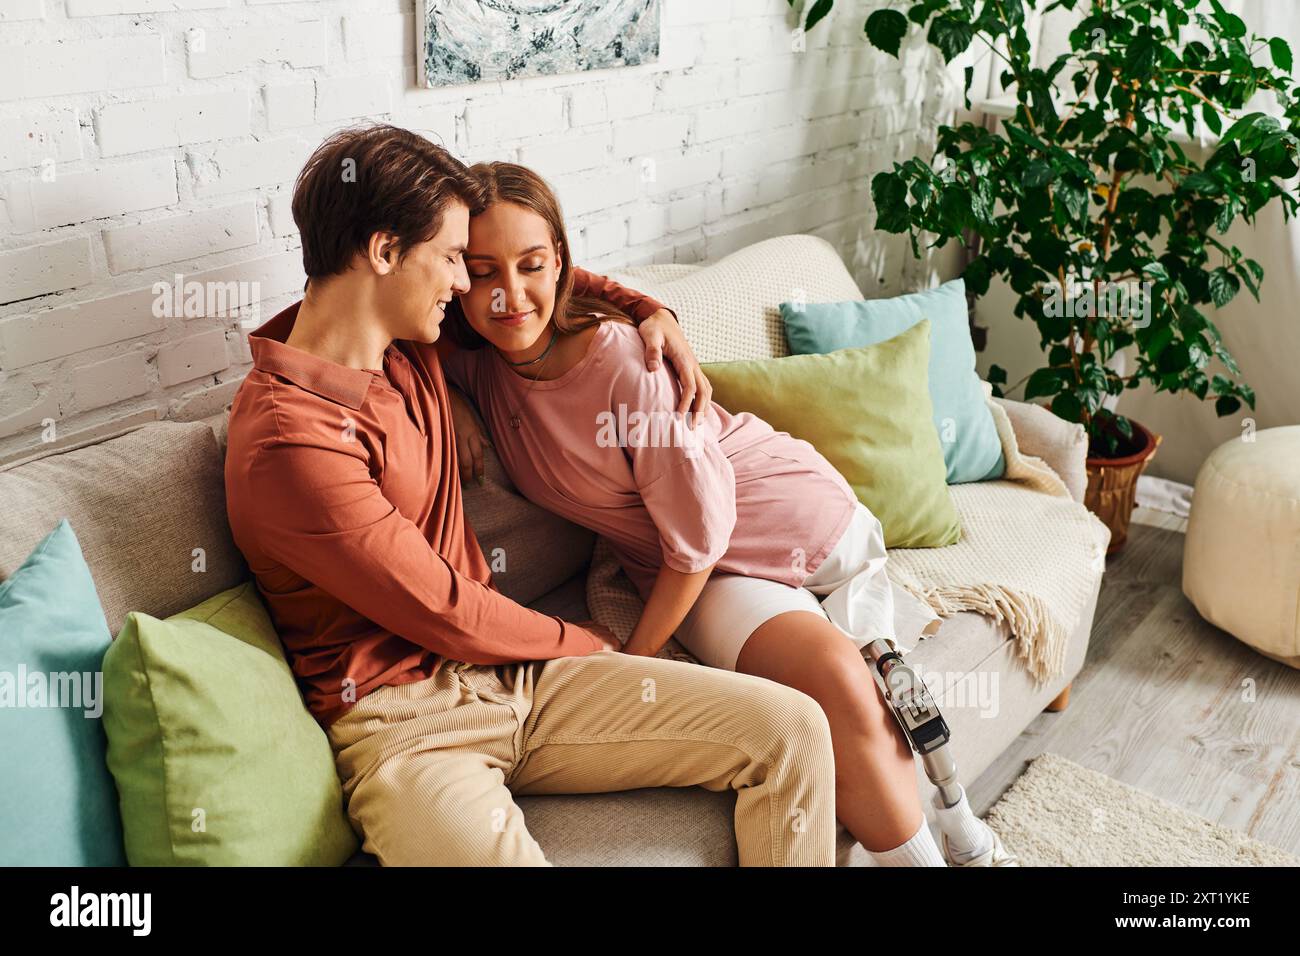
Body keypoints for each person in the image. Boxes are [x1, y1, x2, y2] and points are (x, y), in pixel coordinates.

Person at [223, 124, 839, 866]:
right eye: (453, 259)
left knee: (793, 728)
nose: (463, 284)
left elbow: (534, 286)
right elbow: (442, 608)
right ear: (385, 253)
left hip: (521, 677)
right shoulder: (292, 442)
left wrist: (647, 310)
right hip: (409, 727)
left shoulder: (407, 340)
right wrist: (593, 646)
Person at [441, 160, 1017, 867]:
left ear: (560, 260)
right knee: (837, 678)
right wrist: (459, 405)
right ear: (455, 276)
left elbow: (695, 541)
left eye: (531, 265)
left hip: (781, 517)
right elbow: (391, 317)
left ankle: (958, 826)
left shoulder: (626, 362)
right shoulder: (472, 361)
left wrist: (634, 658)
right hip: (706, 571)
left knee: (862, 676)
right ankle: (957, 834)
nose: (510, 295)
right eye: (483, 271)